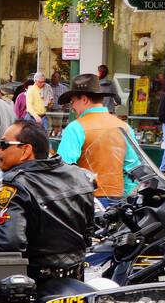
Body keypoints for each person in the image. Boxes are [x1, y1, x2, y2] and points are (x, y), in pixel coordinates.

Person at [0, 120, 95, 299]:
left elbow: (8, 244)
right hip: (75, 278)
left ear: (26, 150)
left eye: (4, 145)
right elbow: (89, 230)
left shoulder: (13, 185)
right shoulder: (79, 175)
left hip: (33, 286)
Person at [56, 73, 141, 206]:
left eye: (73, 101)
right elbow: (134, 167)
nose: (72, 107)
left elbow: (63, 169)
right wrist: (123, 194)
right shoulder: (124, 127)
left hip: (87, 201)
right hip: (118, 199)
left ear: (84, 99)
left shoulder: (75, 128)